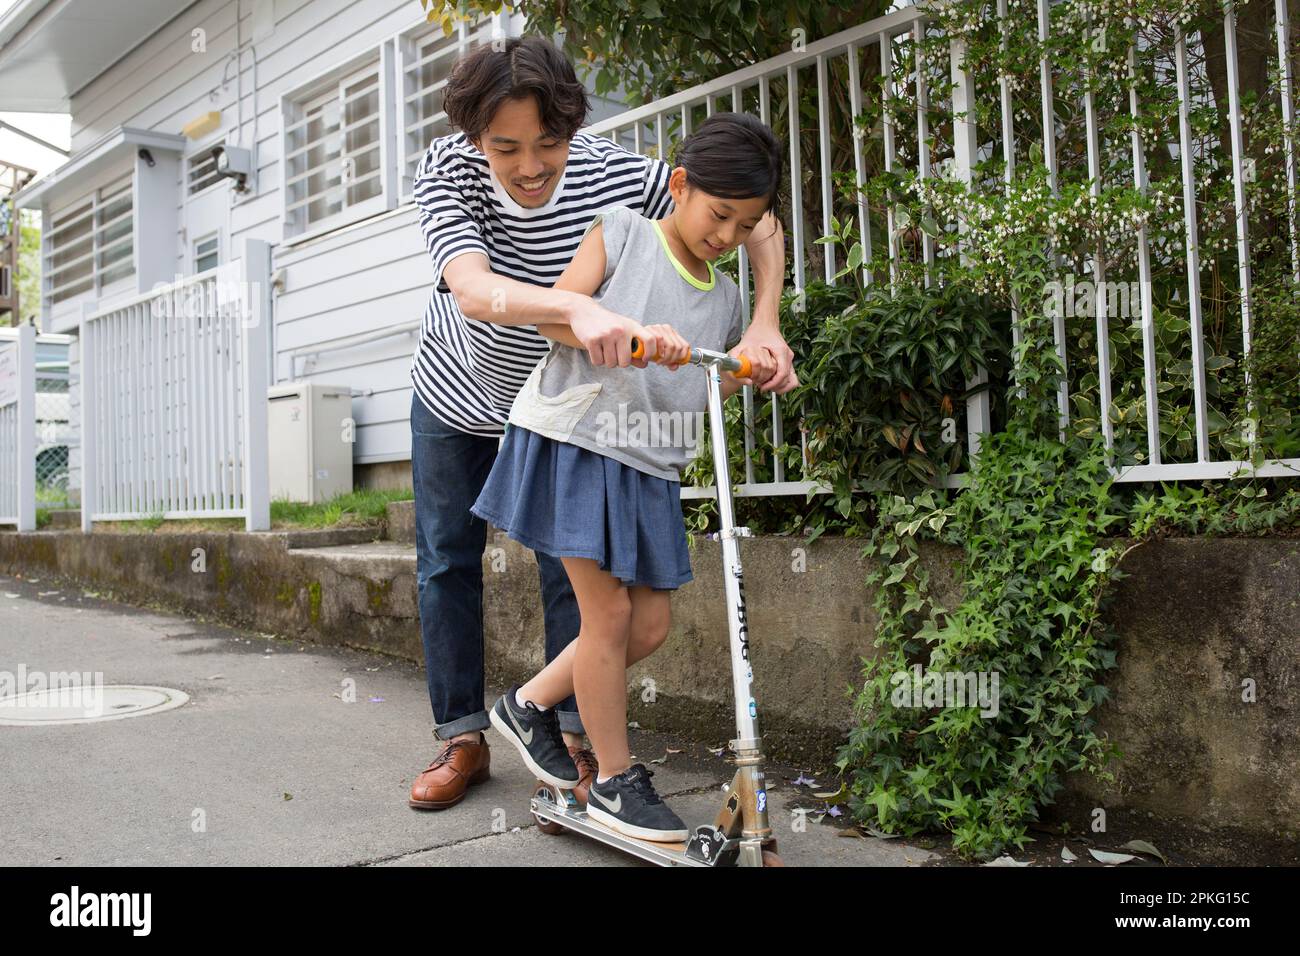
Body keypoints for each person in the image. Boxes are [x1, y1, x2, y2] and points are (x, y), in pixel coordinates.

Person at [407, 36, 797, 812]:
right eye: (505, 147)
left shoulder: (616, 174)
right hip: (470, 390)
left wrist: (763, 319)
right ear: (474, 138)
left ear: (572, 132)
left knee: (584, 590)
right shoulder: (447, 171)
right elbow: (477, 291)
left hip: (592, 418)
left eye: (548, 144)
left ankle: (566, 736)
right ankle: (464, 737)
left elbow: (750, 221)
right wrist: (583, 309)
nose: (529, 166)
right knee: (449, 563)